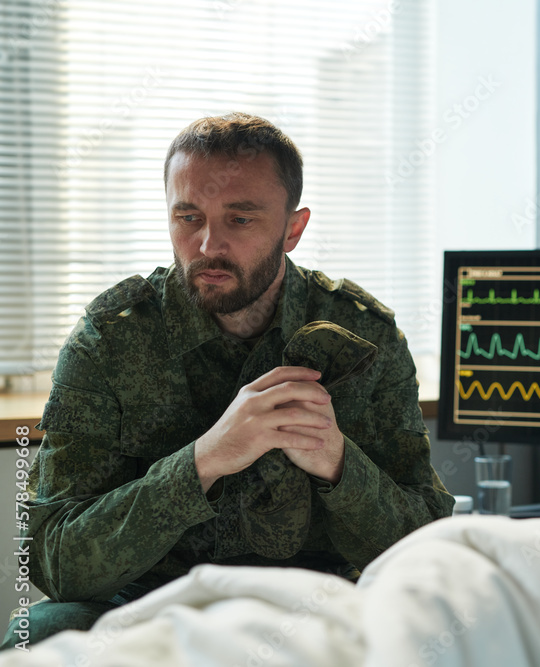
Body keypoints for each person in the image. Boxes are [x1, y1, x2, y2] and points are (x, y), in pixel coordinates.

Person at [2, 112, 454, 650]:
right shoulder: (109, 341)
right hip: (149, 599)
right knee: (41, 633)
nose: (207, 244)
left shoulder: (364, 336)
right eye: (188, 217)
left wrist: (338, 462)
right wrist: (203, 461)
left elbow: (427, 551)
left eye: (240, 220)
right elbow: (55, 563)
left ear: (293, 229)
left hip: (318, 601)